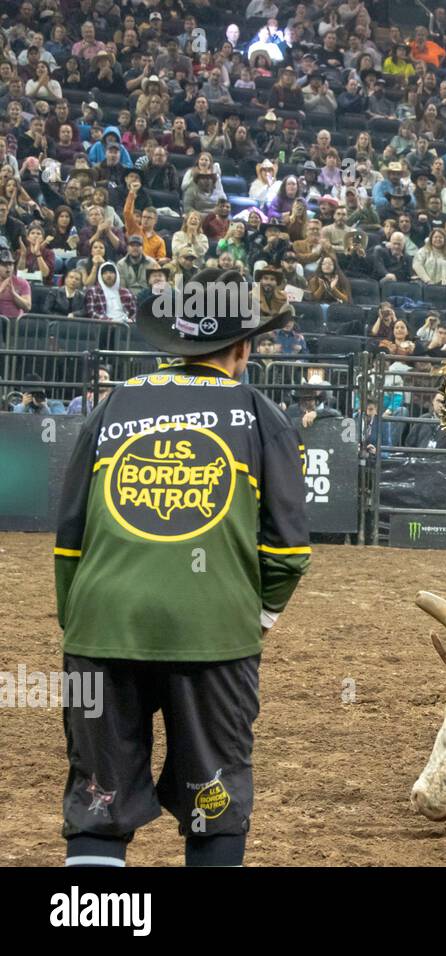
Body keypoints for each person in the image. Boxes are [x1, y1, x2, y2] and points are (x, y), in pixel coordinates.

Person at [53, 267, 310, 868]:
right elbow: (290, 549)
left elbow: (69, 540)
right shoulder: (258, 413)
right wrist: (258, 617)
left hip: (101, 628)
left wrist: (82, 621)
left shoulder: (113, 404)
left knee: (98, 803)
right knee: (214, 804)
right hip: (212, 634)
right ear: (242, 347)